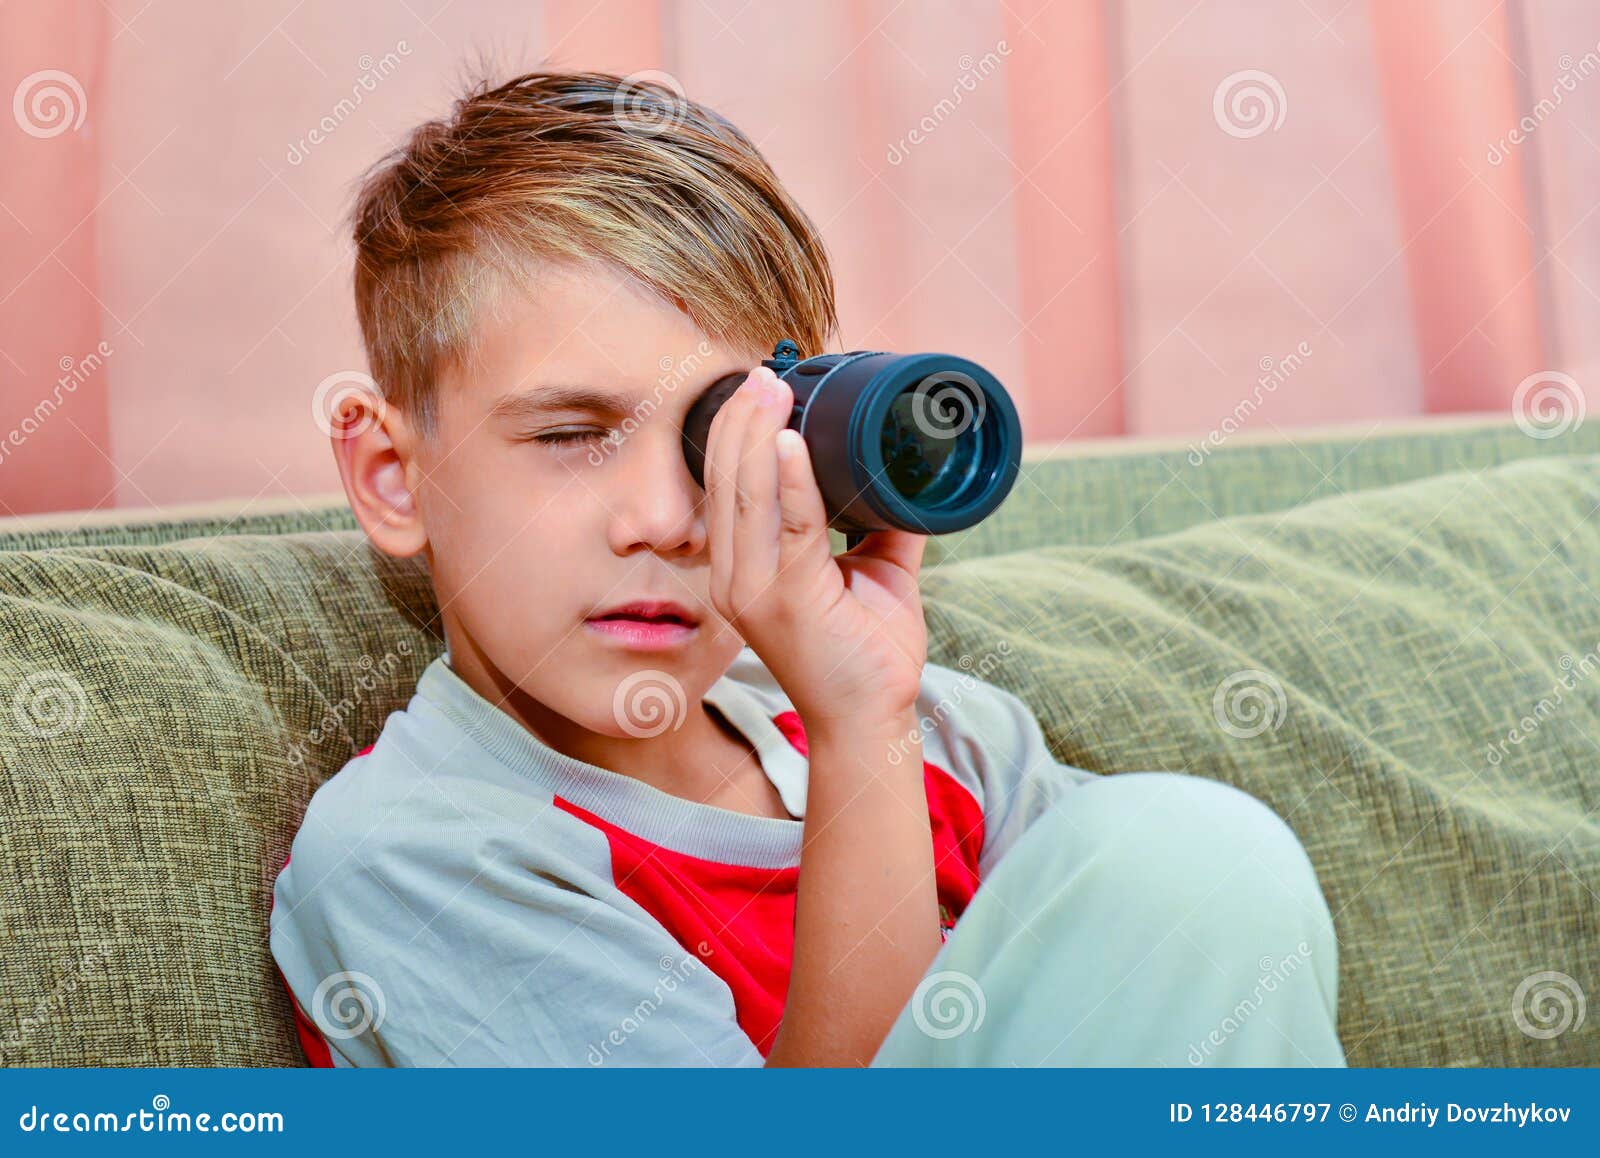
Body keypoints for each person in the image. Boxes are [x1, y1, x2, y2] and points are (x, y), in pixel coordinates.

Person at [269, 69, 1344, 1068]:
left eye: (713, 437)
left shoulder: (948, 743)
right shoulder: (413, 860)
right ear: (392, 478)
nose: (665, 521)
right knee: (1196, 855)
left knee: (1184, 865)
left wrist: (863, 715)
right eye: (569, 435)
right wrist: (855, 728)